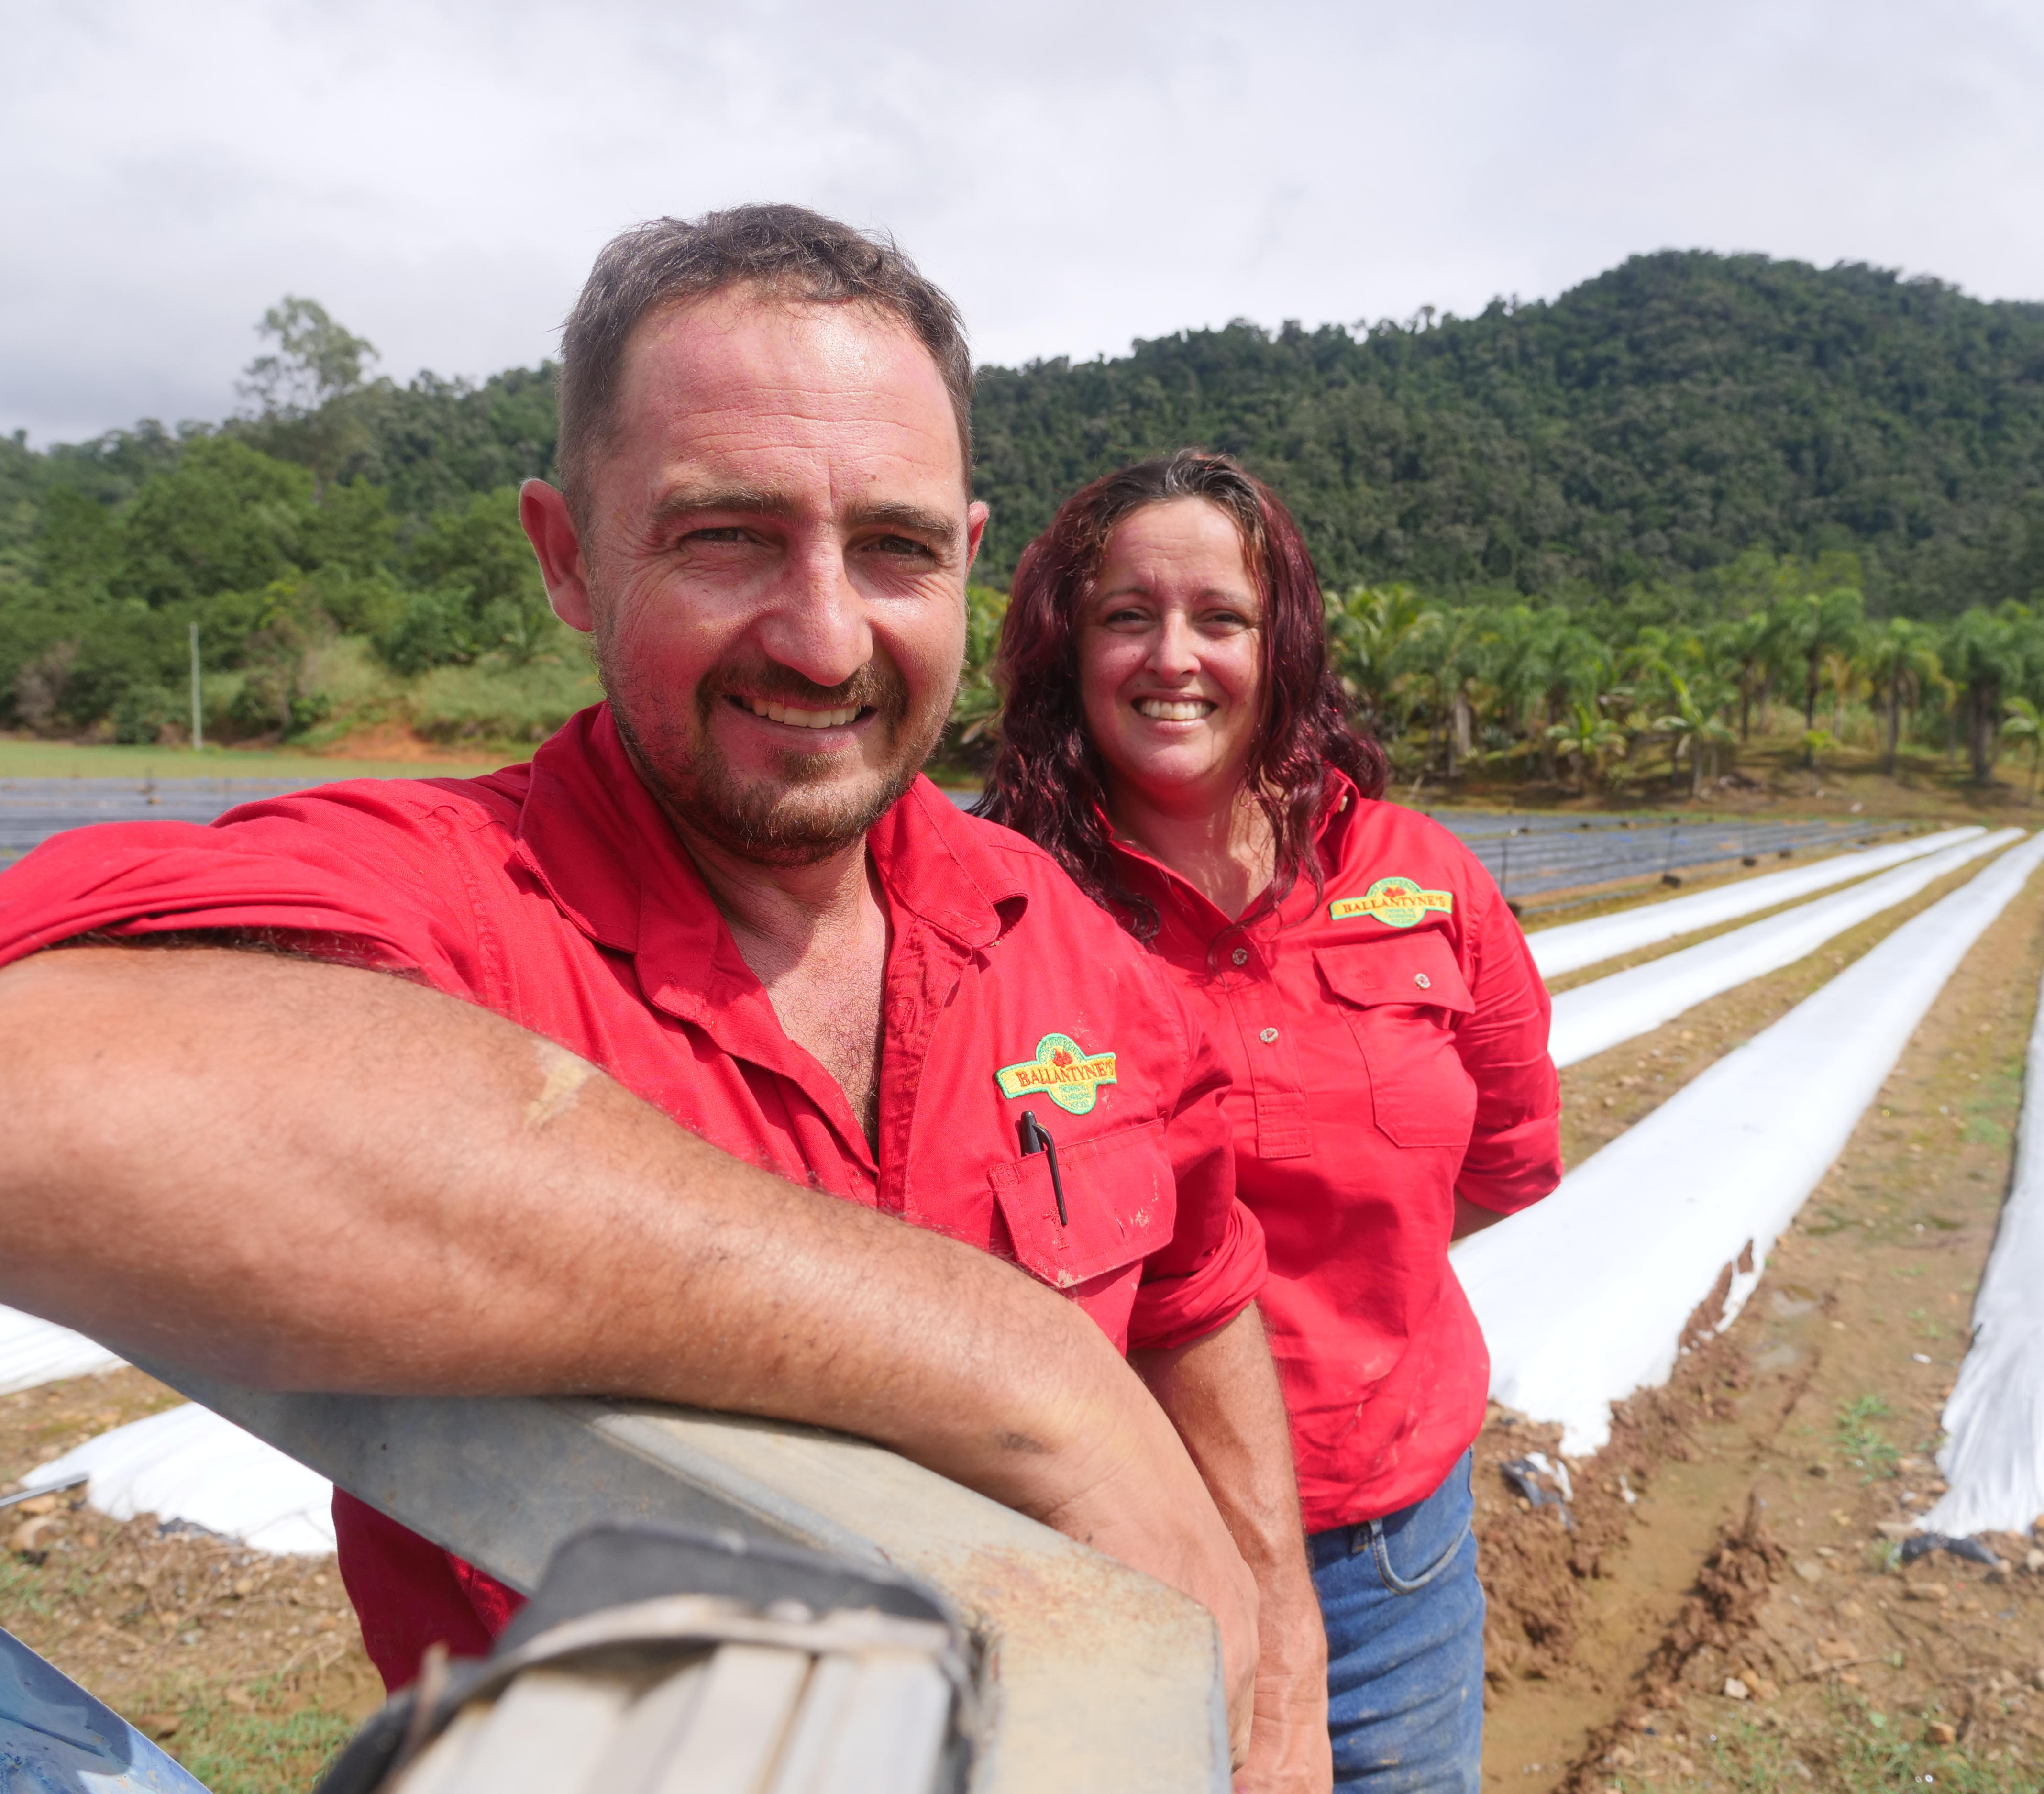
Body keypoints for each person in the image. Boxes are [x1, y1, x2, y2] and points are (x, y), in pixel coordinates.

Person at [0, 210, 1330, 1784]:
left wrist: (1281, 1675)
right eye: (728, 537)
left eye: (894, 548)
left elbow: (1192, 1302)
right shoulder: (455, 909)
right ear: (568, 557)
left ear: (968, 559)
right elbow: (50, 1081)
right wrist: (1021, 1366)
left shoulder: (1071, 946)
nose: (824, 637)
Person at [978, 450, 1563, 1791]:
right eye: (1128, 615)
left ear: (1280, 644)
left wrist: (1357, 1285)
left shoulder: (1419, 876)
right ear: (1069, 648)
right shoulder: (996, 904)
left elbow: (1506, 1159)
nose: (1173, 656)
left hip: (1384, 1556)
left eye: (1221, 618)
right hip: (1107, 1551)